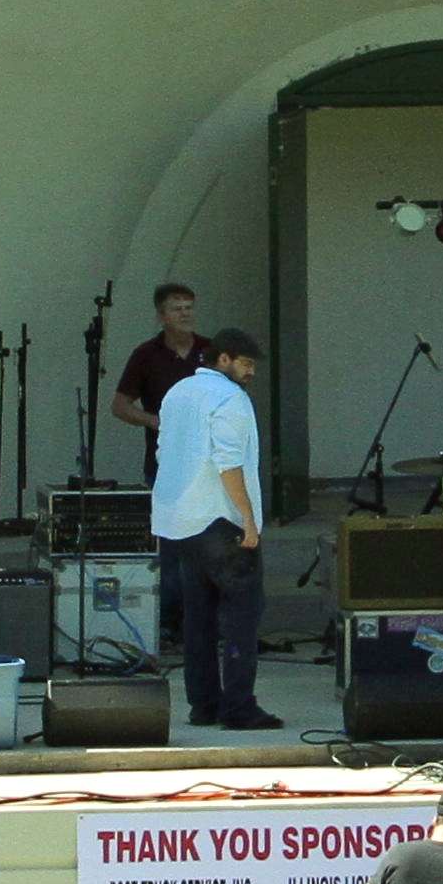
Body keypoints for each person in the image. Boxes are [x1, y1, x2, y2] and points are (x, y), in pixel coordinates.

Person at [152, 328, 277, 730]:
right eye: (246, 363)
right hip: (221, 520)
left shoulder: (177, 393)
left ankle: (203, 704)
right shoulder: (230, 399)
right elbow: (229, 464)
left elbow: (162, 450)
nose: (251, 372)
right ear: (223, 359)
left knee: (198, 618)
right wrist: (248, 520)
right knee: (242, 615)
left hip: (180, 521)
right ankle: (239, 706)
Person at [113, 284, 213, 644]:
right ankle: (172, 623)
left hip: (209, 463)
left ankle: (204, 621)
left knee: (208, 543)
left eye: (189, 307)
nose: (185, 314)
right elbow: (120, 405)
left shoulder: (210, 351)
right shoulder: (146, 355)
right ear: (161, 315)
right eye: (177, 309)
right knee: (171, 547)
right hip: (166, 462)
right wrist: (154, 421)